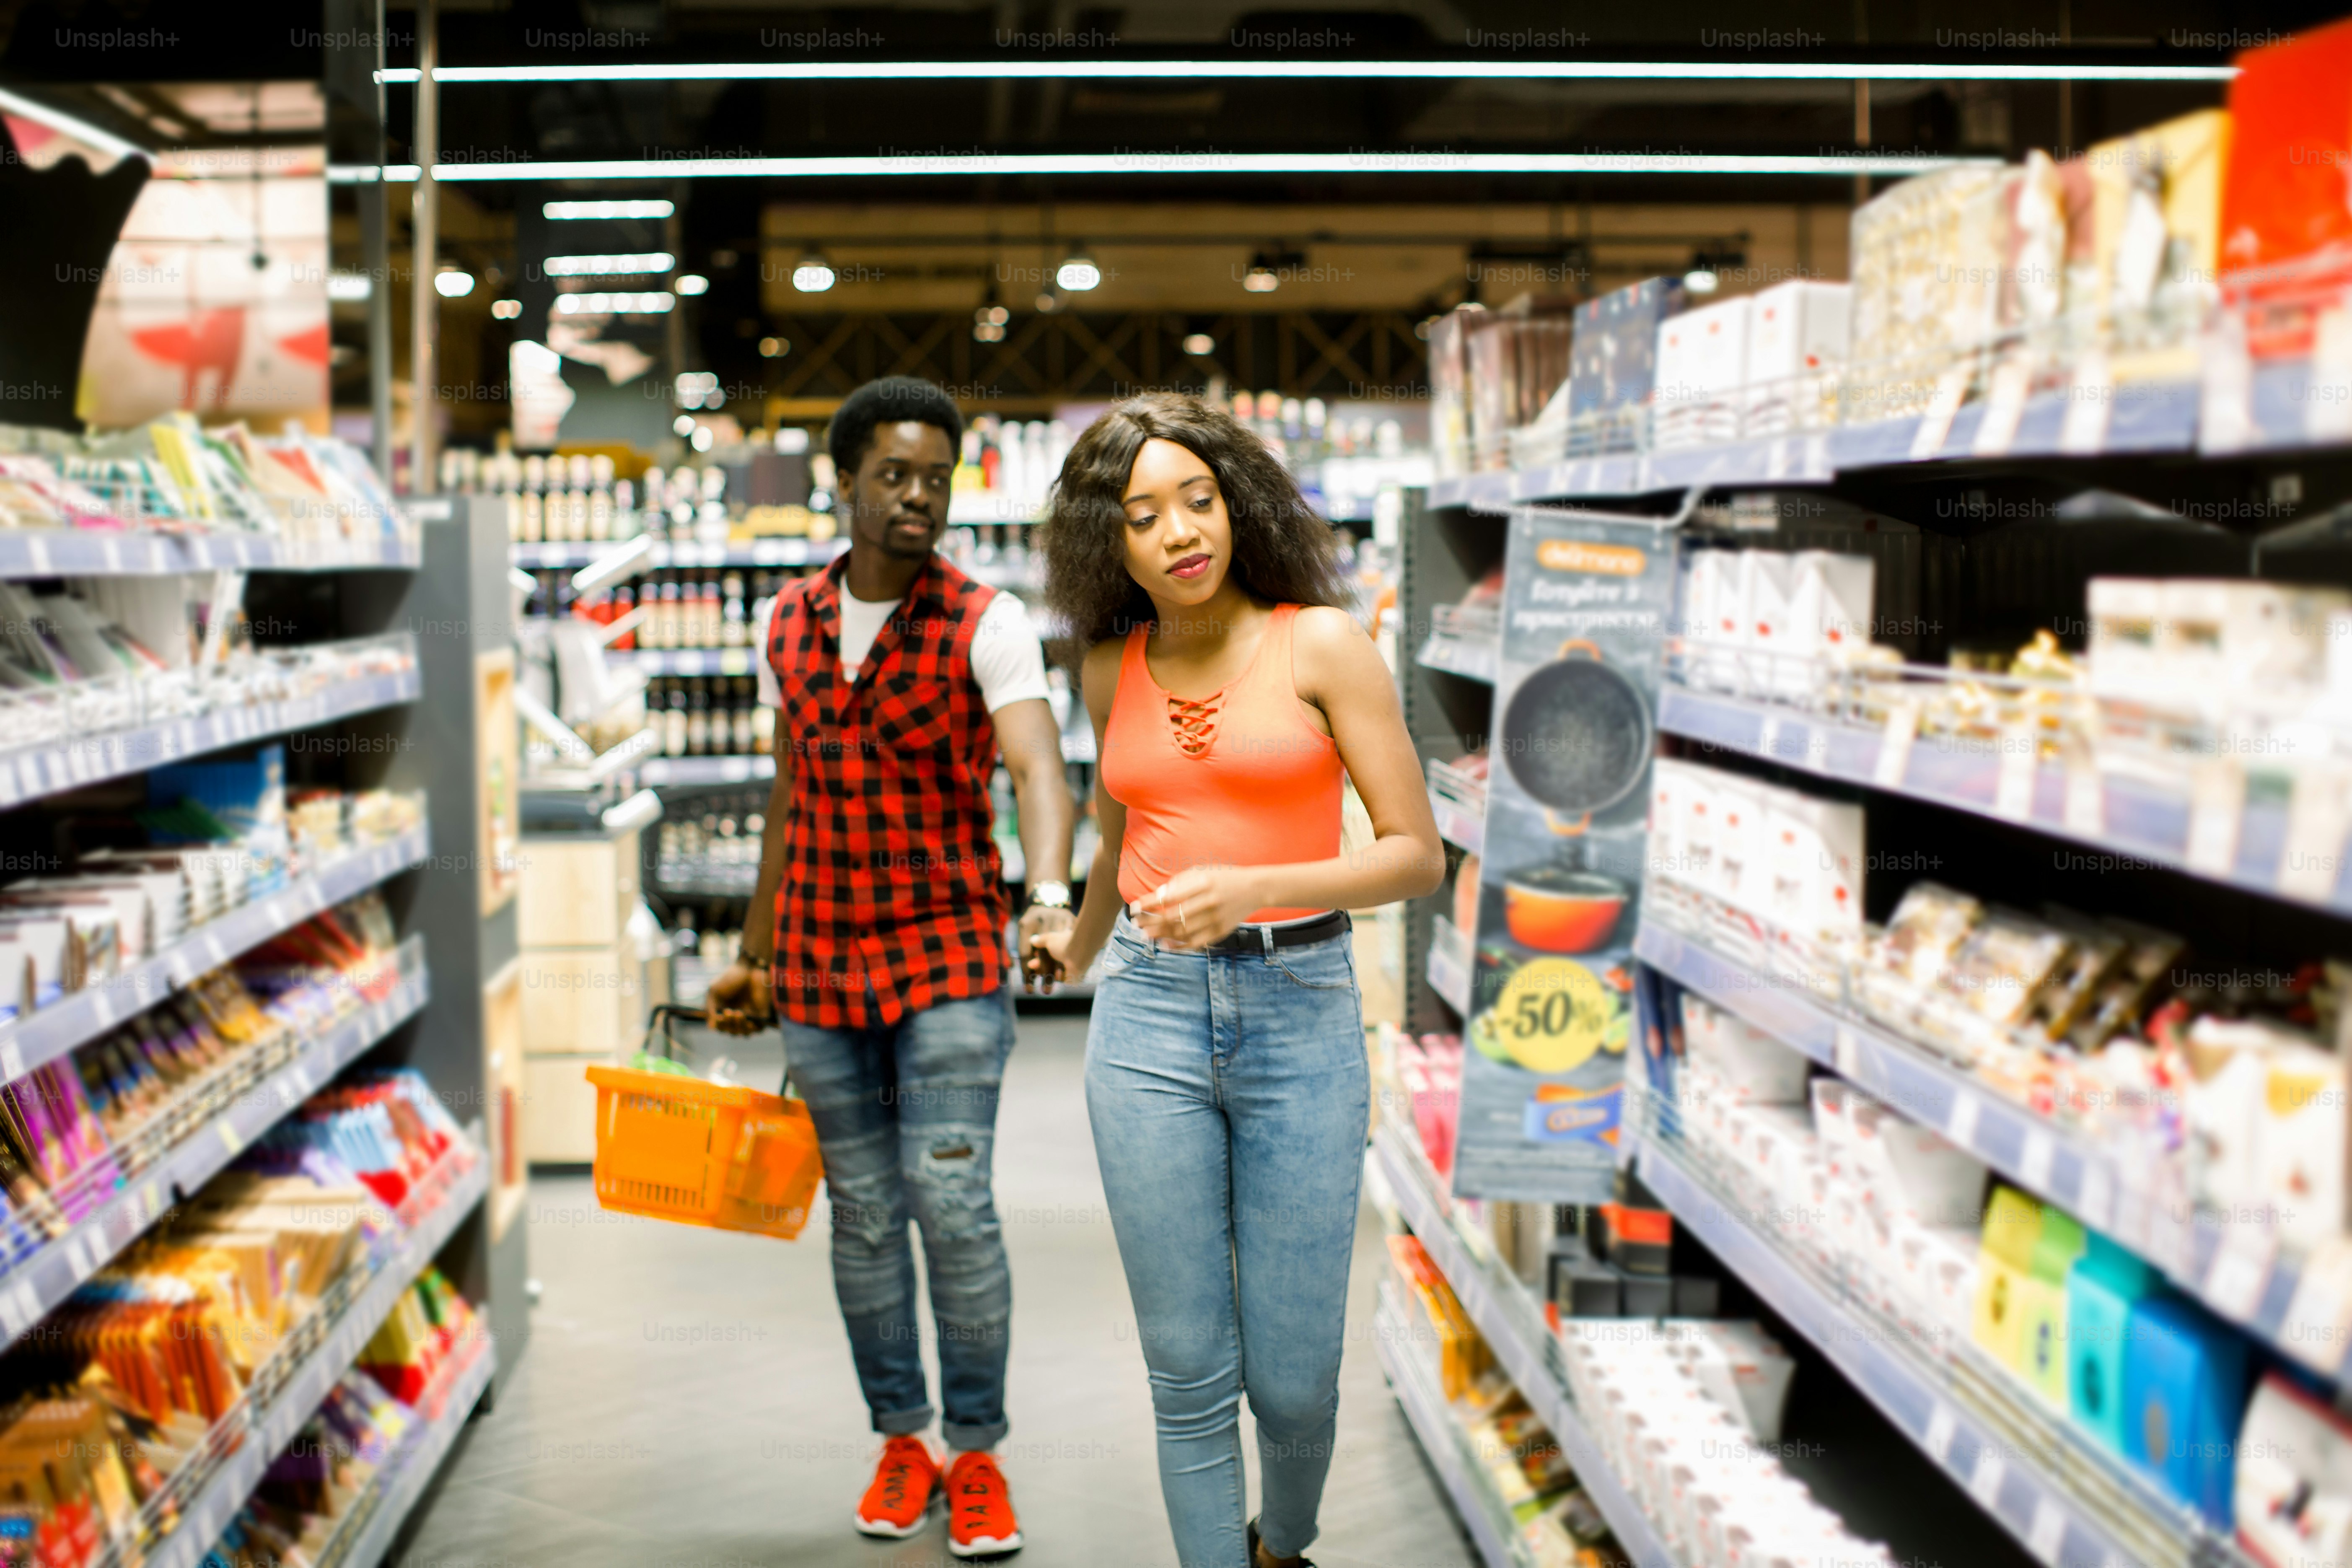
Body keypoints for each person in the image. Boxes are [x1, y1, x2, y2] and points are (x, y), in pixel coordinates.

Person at [1031, 393, 1444, 1568]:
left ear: (1236, 505)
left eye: (1197, 501)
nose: (1178, 533)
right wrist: (1080, 935)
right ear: (1104, 544)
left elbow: (1412, 853)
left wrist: (1252, 889)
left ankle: (1283, 1545)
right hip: (1148, 1021)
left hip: (1300, 1014)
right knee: (1188, 1371)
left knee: (1295, 1378)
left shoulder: (1320, 642)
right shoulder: (1109, 667)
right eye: (1142, 514)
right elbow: (1126, 834)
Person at [706, 375, 1076, 1559]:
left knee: (952, 1208)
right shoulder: (789, 620)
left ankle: (976, 1455)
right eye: (894, 475)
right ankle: (901, 1438)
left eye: (935, 478)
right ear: (847, 480)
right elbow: (785, 789)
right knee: (863, 1217)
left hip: (949, 958)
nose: (917, 497)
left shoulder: (987, 619)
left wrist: (1052, 896)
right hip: (816, 959)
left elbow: (1037, 773)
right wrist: (753, 950)